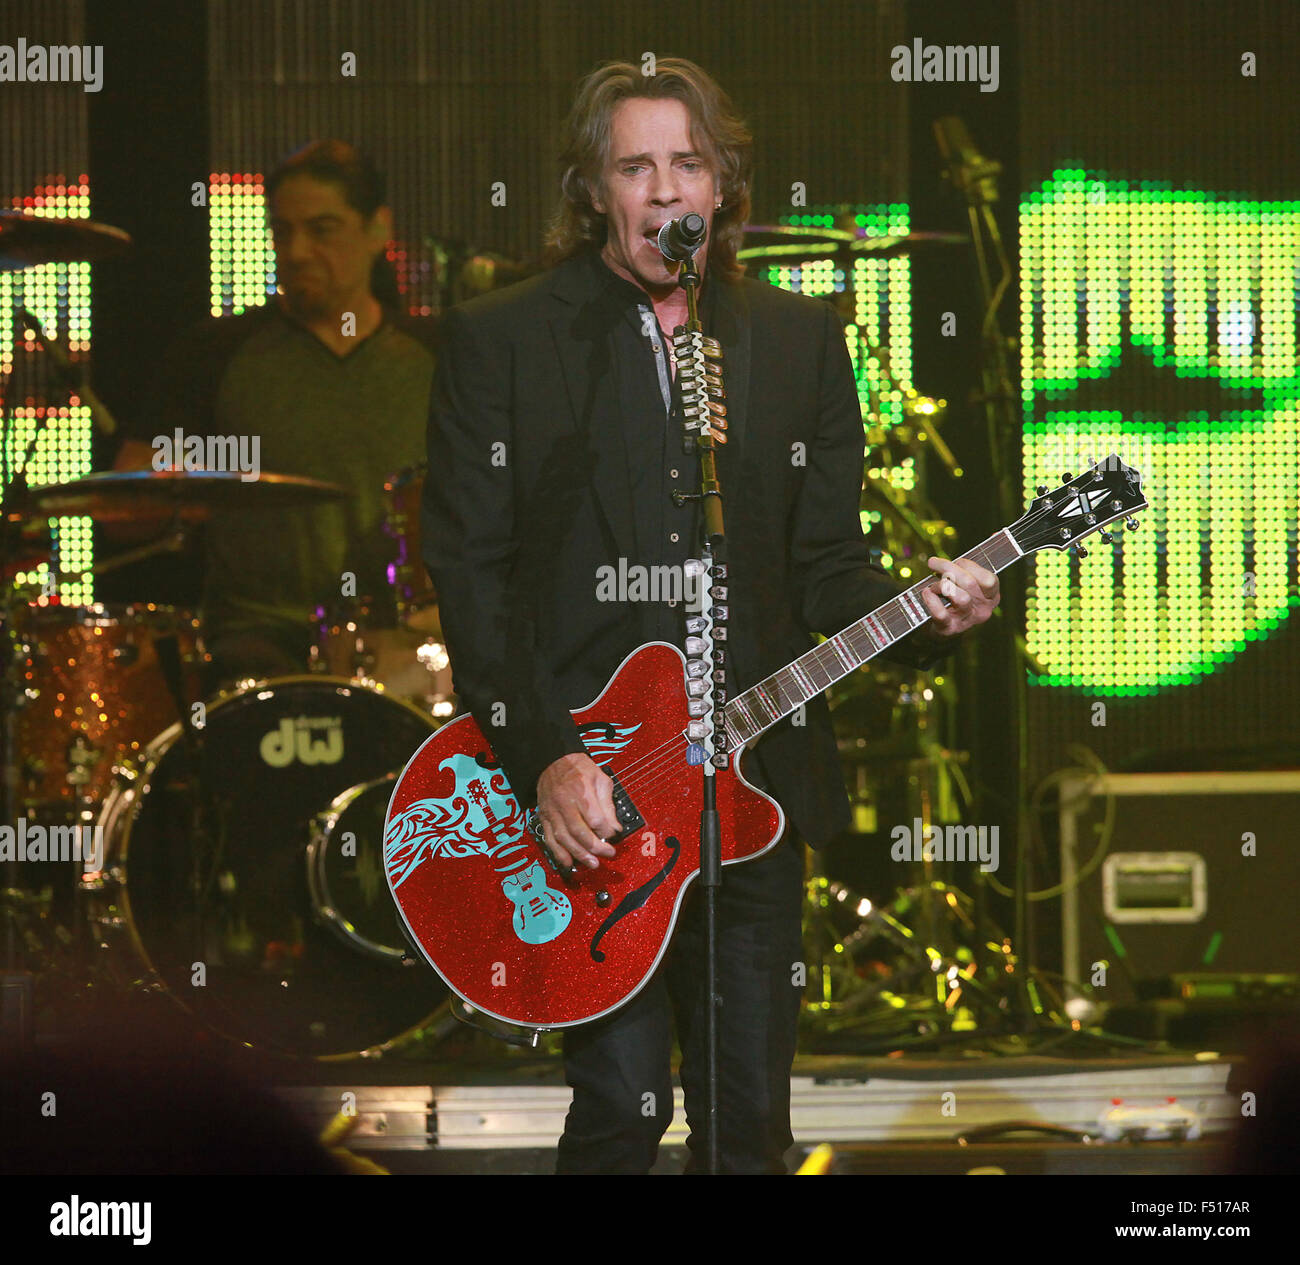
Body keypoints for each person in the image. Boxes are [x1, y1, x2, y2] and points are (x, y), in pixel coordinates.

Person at [422, 58, 1000, 1174]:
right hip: (593, 805)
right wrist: (543, 758)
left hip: (753, 798)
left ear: (724, 184)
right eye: (633, 166)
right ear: (591, 189)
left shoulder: (792, 339)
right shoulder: (503, 340)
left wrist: (922, 607)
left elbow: (826, 568)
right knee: (625, 1111)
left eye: (687, 162)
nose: (663, 189)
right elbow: (473, 575)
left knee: (749, 1131)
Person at [114, 139, 438, 686]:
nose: (298, 250)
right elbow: (128, 498)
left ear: (377, 230)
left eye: (323, 228)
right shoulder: (214, 353)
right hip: (252, 641)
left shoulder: (439, 353)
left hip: (404, 642)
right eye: (283, 231)